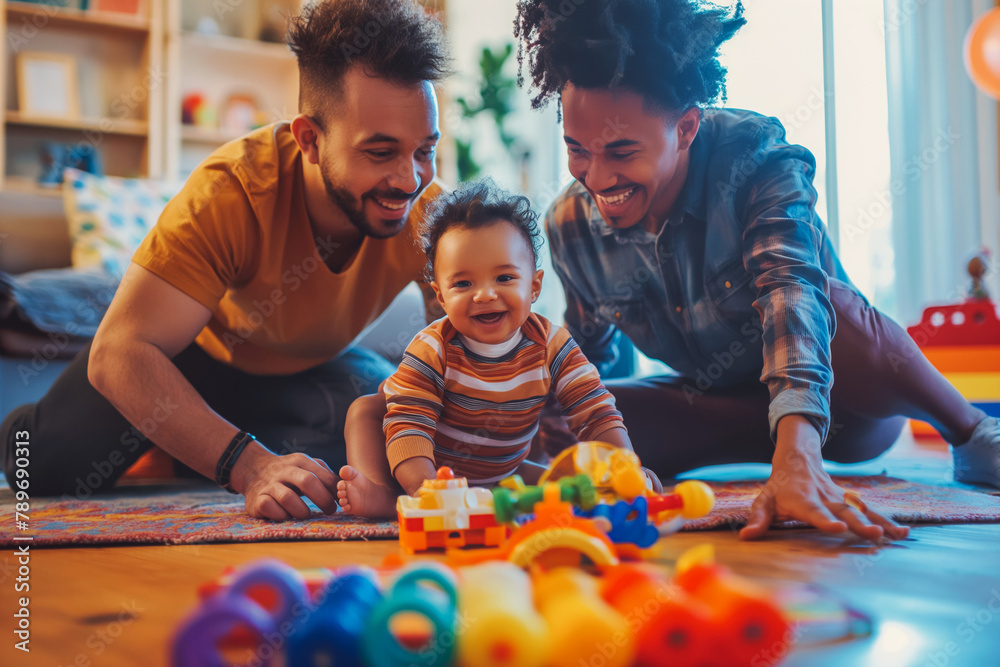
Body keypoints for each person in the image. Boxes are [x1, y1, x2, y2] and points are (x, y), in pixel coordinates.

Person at [514, 0, 1000, 541]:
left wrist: (798, 450)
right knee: (574, 411)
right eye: (577, 151)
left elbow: (791, 292)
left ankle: (972, 430)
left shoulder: (755, 158)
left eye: (622, 152)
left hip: (847, 401)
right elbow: (590, 369)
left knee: (831, 306)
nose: (597, 178)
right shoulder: (570, 225)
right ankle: (777, 453)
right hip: (730, 415)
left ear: (687, 128)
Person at [1, 0, 451, 521]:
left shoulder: (431, 216)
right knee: (46, 465)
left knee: (374, 441)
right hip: (191, 358)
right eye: (380, 152)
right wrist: (249, 465)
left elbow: (451, 361)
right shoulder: (232, 190)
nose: (409, 179)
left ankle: (189, 446)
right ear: (309, 138)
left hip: (310, 368)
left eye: (425, 150)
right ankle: (188, 439)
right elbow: (119, 353)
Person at [336, 180, 659, 518]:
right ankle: (385, 496)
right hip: (424, 467)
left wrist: (624, 467)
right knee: (365, 409)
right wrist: (425, 491)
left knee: (568, 491)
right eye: (463, 283)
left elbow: (594, 410)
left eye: (504, 278)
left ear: (533, 286)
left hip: (502, 474)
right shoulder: (432, 349)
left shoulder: (553, 345)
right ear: (441, 297)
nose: (485, 295)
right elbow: (410, 423)